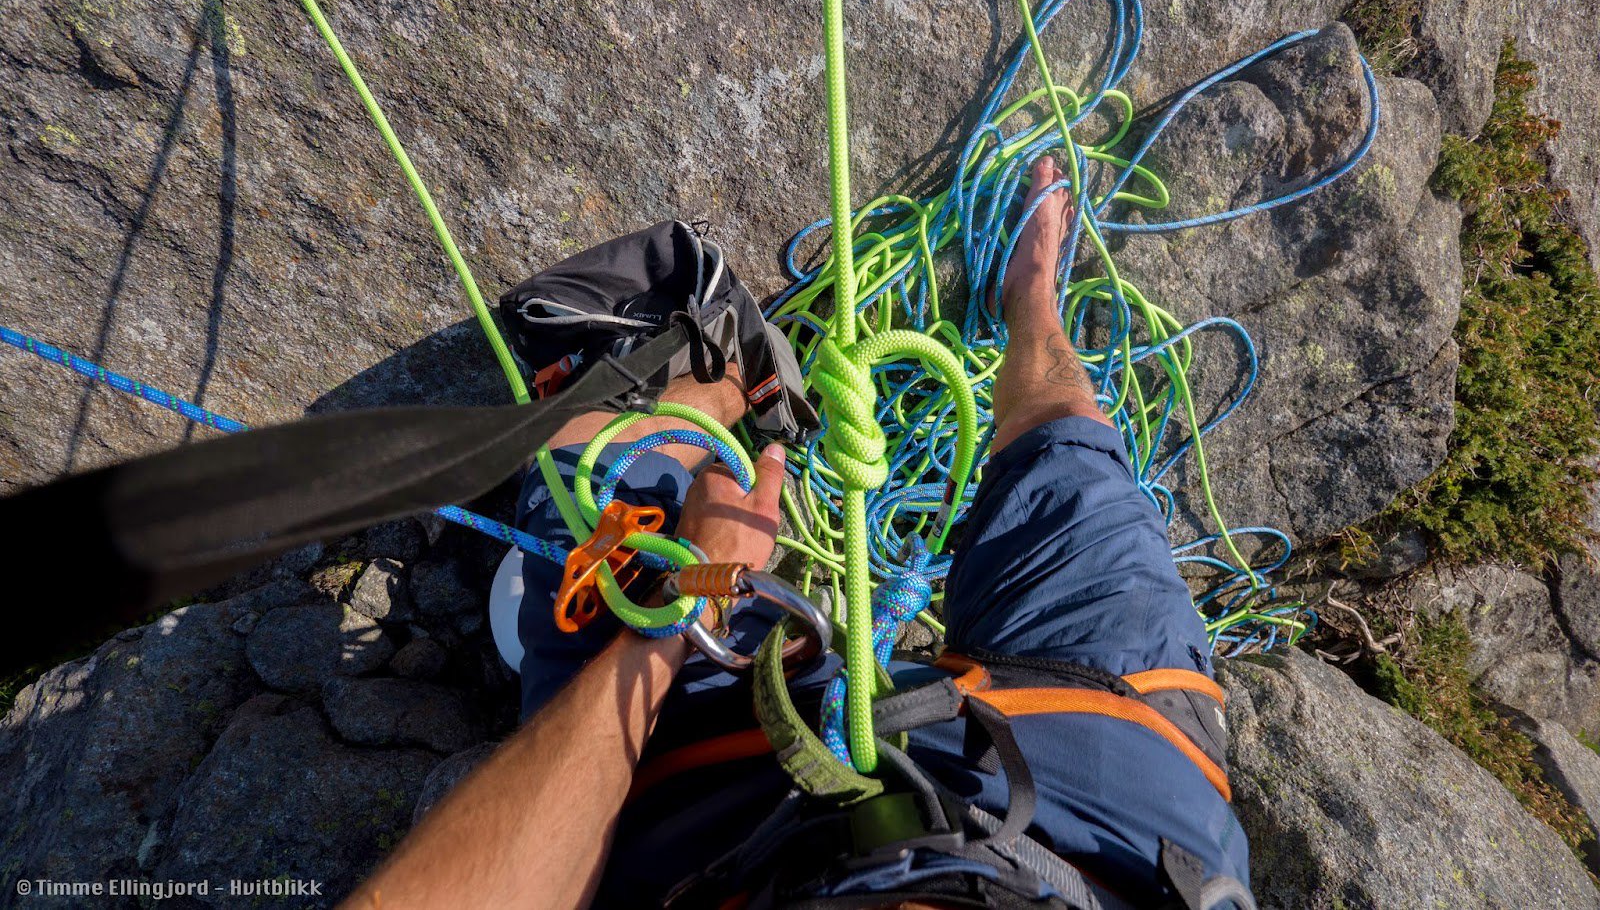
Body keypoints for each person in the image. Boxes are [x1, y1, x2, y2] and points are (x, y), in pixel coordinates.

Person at [342, 157, 1252, 910]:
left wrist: (688, 598)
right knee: (1070, 440)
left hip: (740, 840)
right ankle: (1033, 299)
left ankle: (697, 401)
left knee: (617, 472)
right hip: (1124, 825)